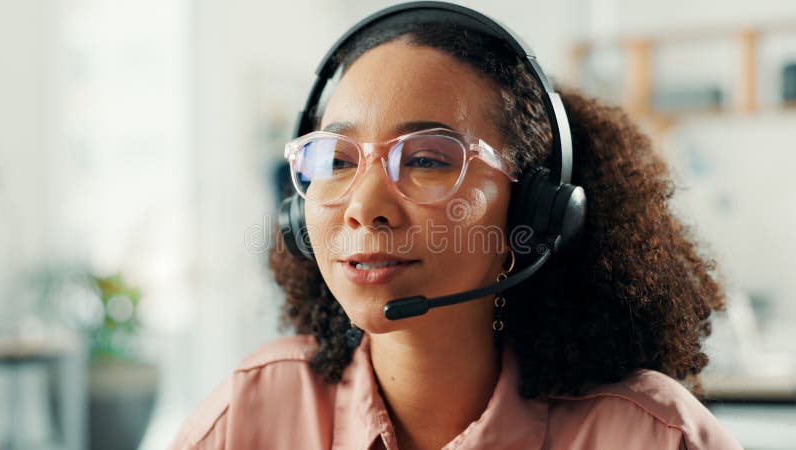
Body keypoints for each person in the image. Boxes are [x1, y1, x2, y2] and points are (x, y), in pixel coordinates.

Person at [170, 2, 743, 449]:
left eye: (425, 159)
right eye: (338, 160)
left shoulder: (657, 438)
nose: (364, 206)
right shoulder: (251, 412)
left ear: (533, 210)